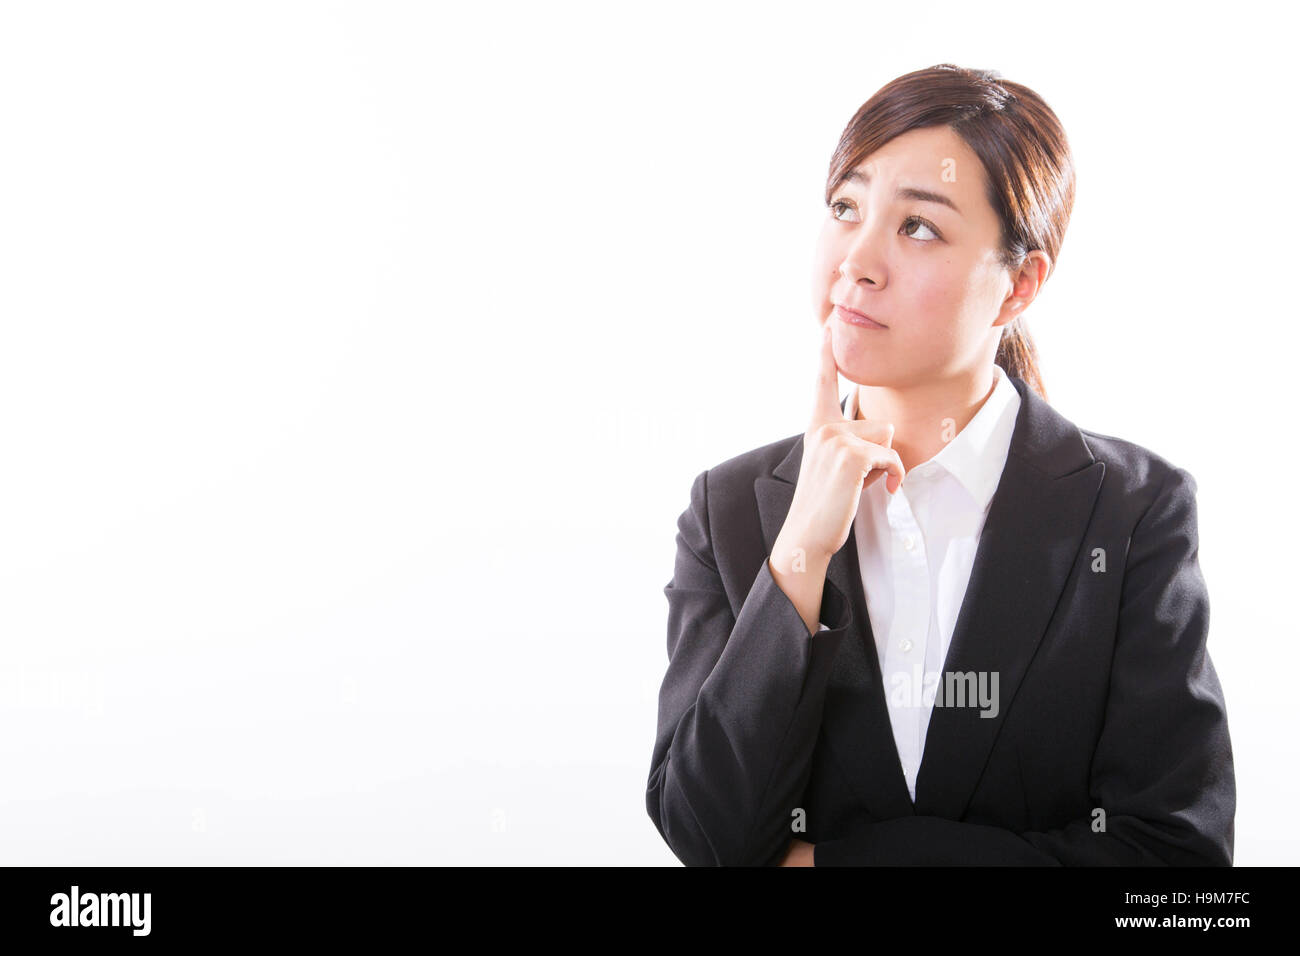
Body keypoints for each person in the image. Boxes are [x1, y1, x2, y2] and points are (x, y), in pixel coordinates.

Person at [644, 64, 1235, 866]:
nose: (858, 259)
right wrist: (800, 559)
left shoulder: (1133, 513)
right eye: (846, 208)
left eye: (917, 226)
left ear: (1019, 284)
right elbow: (707, 835)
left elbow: (1177, 865)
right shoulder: (731, 508)